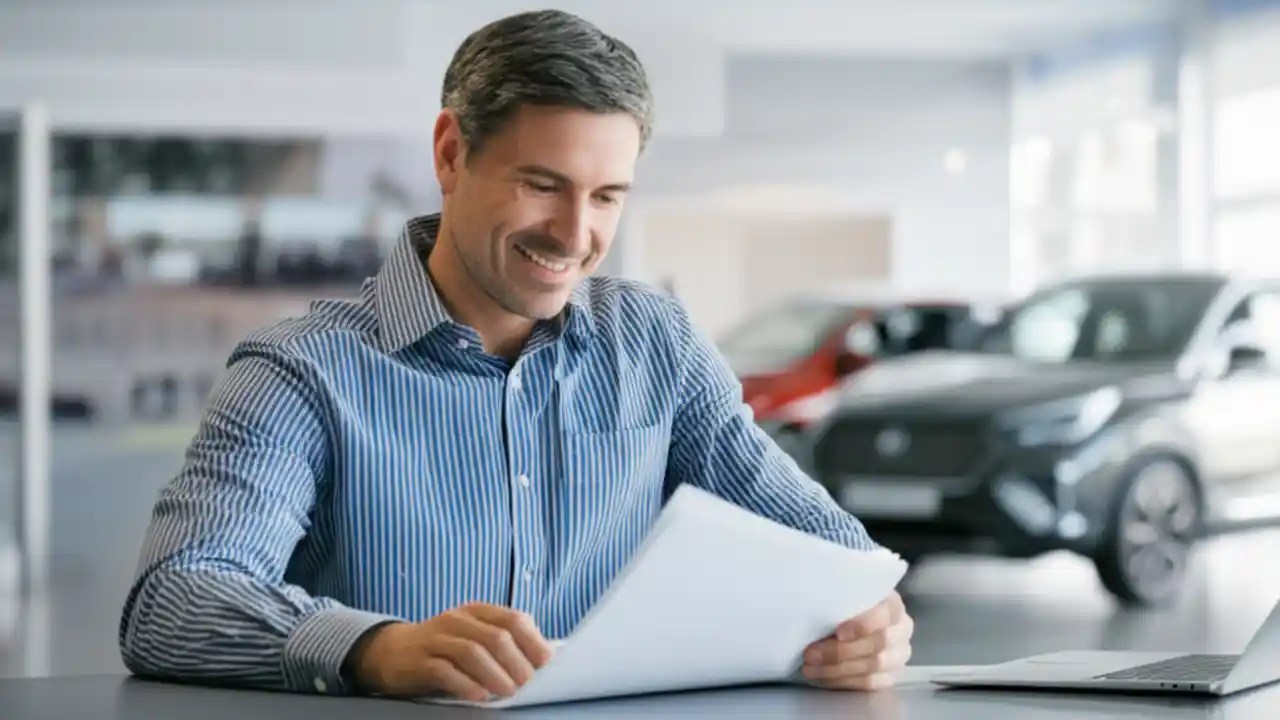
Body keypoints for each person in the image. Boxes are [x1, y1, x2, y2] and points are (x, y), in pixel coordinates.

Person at [118, 9, 913, 702]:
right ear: (450, 153)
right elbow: (175, 603)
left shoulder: (656, 344)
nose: (574, 236)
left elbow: (836, 557)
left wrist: (868, 624)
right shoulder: (302, 371)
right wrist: (377, 649)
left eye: (606, 198)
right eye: (542, 184)